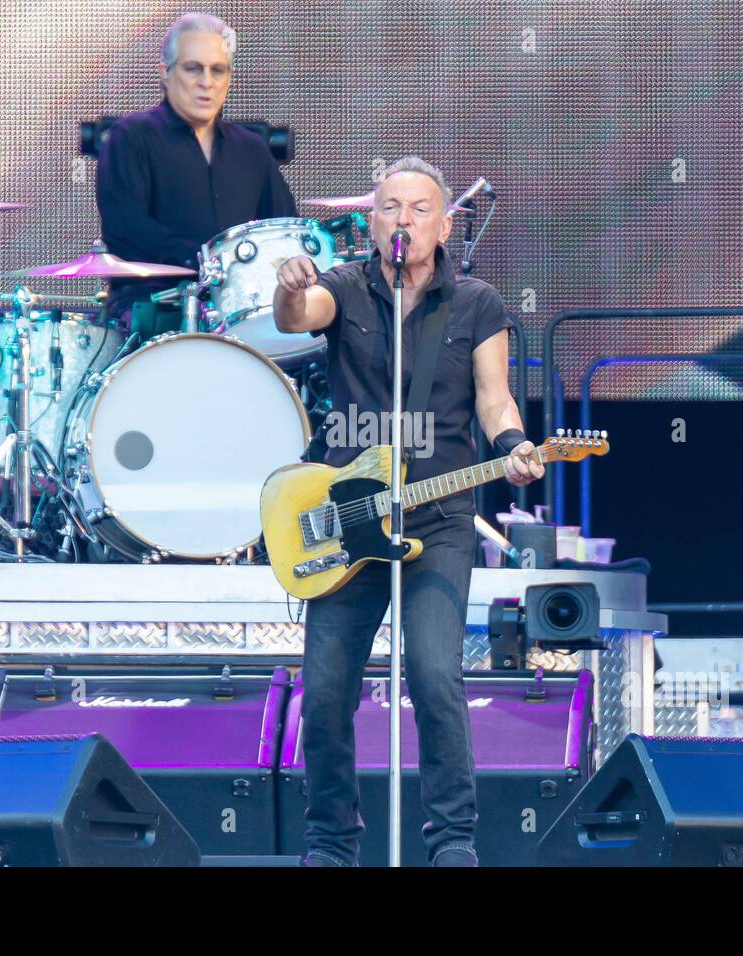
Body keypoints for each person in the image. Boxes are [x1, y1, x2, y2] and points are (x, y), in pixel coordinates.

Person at [272, 156, 543, 867]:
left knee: (433, 673)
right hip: (351, 520)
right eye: (389, 207)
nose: (403, 221)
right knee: (326, 692)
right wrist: (287, 288)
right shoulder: (346, 289)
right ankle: (331, 842)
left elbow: (494, 399)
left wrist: (513, 444)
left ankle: (452, 841)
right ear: (371, 221)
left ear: (444, 224)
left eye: (418, 208)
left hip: (439, 516)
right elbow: (300, 317)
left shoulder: (478, 302)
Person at [95, 12, 296, 330]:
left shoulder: (252, 148)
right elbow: (125, 229)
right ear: (165, 72)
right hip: (156, 305)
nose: (207, 82)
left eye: (218, 70)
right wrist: (206, 259)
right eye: (193, 69)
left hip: (241, 307)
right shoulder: (130, 137)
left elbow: (284, 227)